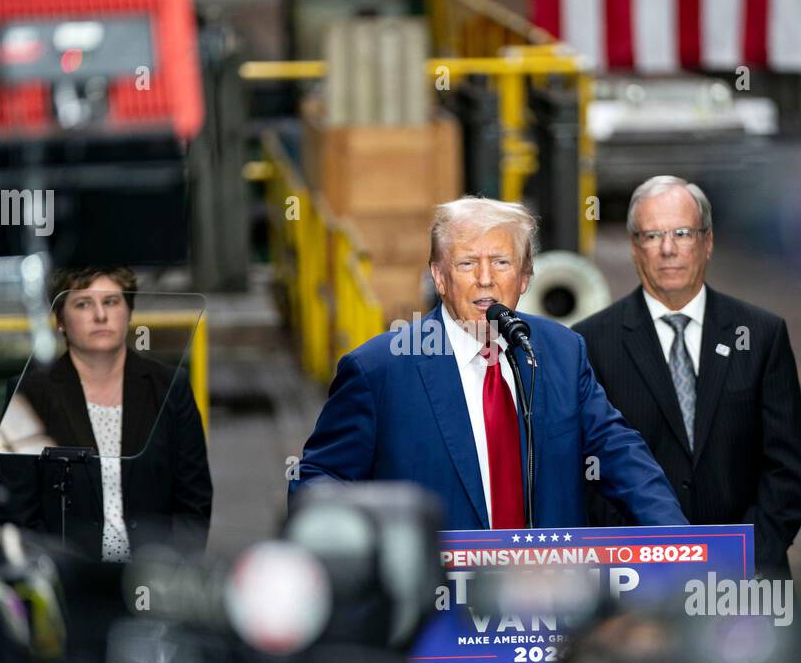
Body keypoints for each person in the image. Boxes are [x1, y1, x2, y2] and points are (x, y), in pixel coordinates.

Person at [289, 196, 687, 531]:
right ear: (439, 277)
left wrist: (678, 541)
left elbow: (618, 452)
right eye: (466, 264)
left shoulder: (562, 351)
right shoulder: (379, 370)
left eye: (501, 263)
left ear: (526, 276)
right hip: (436, 609)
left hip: (549, 606)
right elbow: (320, 483)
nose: (485, 279)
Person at [574, 176, 801, 578]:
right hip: (636, 585)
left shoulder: (760, 335)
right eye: (653, 235)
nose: (668, 249)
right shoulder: (588, 343)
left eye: (682, 233)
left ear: (708, 241)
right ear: (634, 247)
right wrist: (643, 564)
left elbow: (785, 472)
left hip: (747, 575)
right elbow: (588, 476)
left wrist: (747, 560)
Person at [0, 266, 212, 559]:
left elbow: (193, 500)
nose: (100, 315)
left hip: (155, 574)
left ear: (129, 312)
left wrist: (172, 573)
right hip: (69, 581)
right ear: (60, 319)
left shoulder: (170, 387)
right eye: (83, 304)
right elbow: (17, 511)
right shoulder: (29, 395)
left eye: (111, 301)